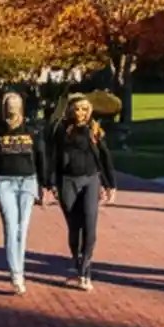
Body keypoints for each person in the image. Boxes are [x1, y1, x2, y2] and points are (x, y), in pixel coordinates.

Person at [46, 92, 116, 291]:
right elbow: (51, 156)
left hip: (91, 179)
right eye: (77, 109)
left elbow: (105, 156)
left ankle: (86, 270)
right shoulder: (60, 129)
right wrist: (48, 183)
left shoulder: (94, 129)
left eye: (85, 109)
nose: (80, 113)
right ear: (70, 110)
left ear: (90, 111)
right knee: (74, 226)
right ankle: (77, 260)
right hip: (67, 181)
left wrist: (111, 184)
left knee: (90, 224)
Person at [0, 92, 47, 295]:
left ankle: (20, 268)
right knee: (12, 227)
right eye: (9, 105)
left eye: (16, 104)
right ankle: (16, 273)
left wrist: (43, 184)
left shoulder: (31, 131)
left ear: (21, 107)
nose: (12, 108)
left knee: (23, 228)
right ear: (3, 108)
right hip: (4, 182)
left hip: (28, 181)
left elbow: (40, 156)